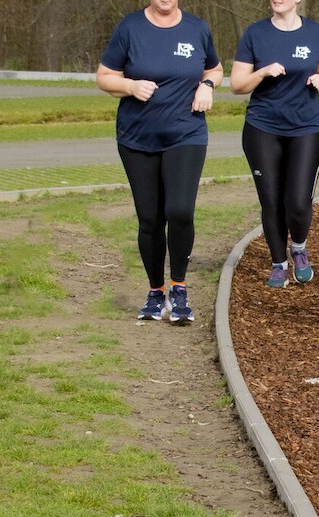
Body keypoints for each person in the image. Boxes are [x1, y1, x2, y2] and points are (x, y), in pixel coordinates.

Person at [97, 0, 222, 324]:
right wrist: (129, 85)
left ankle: (179, 288)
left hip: (186, 134)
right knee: (150, 219)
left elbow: (215, 68)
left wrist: (207, 85)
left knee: (179, 211)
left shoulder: (197, 28)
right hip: (137, 139)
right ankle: (156, 291)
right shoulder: (130, 28)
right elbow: (104, 76)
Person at [231, 0, 319, 288]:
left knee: (298, 203)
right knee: (271, 200)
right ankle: (278, 264)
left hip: (306, 128)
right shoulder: (255, 33)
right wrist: (262, 72)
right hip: (262, 128)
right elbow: (237, 85)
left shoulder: (316, 33)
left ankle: (299, 247)